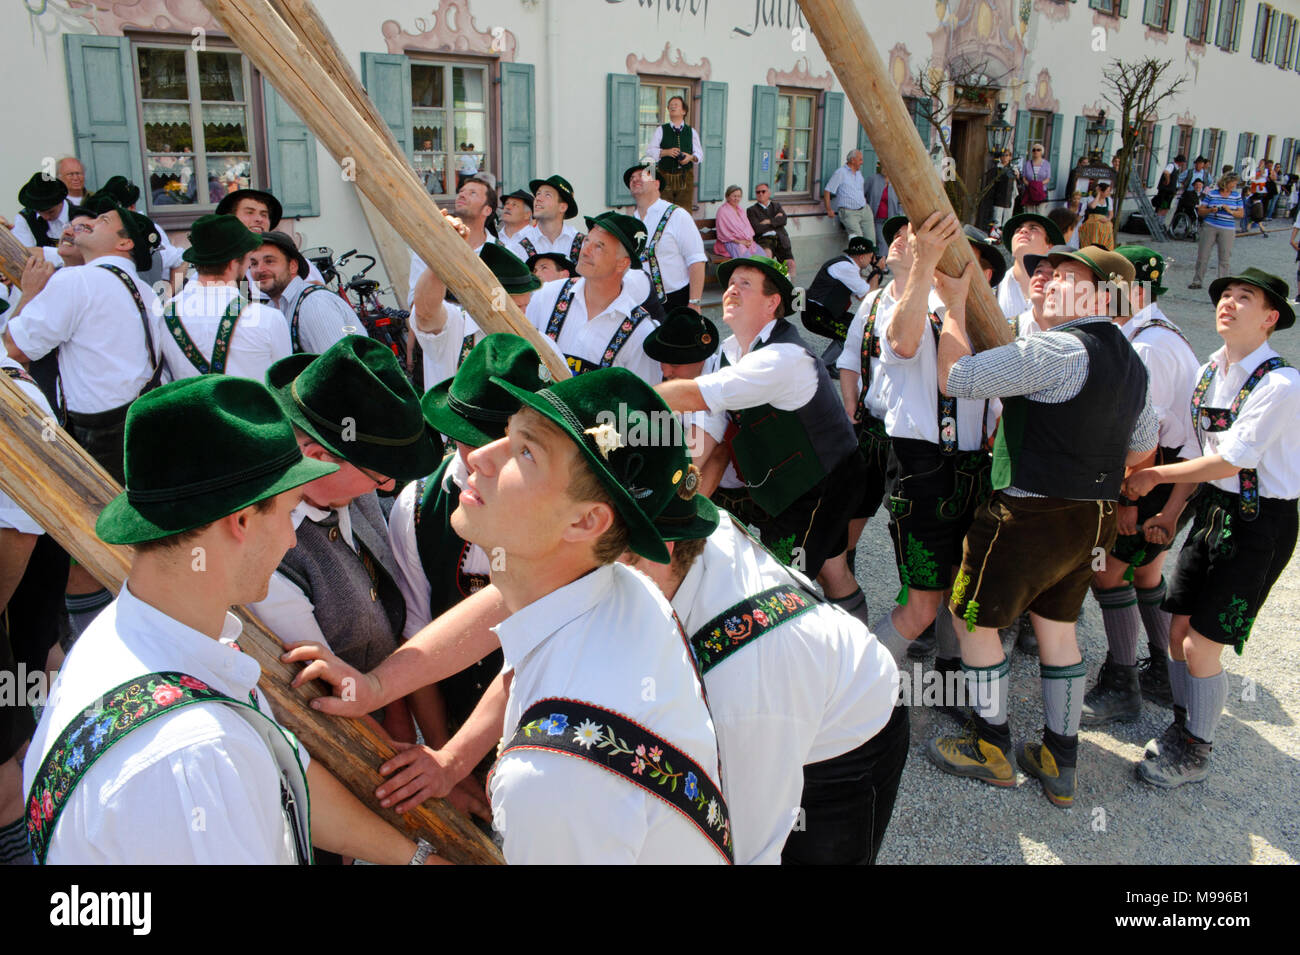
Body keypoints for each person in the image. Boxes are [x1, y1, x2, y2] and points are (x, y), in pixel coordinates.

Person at [22, 374, 442, 864]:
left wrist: (417, 860)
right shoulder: (195, 757)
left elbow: (289, 773)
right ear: (239, 521)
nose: (291, 539)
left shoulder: (131, 639)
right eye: (287, 513)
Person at [932, 245, 1157, 808]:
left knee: (972, 620)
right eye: (1049, 273)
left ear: (1100, 295)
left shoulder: (1058, 348)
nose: (1049, 281)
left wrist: (956, 310)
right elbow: (1144, 448)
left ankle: (993, 747)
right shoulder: (1132, 360)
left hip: (1031, 512)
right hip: (1095, 517)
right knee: (1057, 630)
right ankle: (1060, 757)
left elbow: (955, 378)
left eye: (1067, 277)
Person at [626, 491, 905, 865]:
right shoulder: (694, 535)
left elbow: (743, 850)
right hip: (789, 681)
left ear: (658, 550)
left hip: (852, 739)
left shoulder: (741, 697)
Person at [1125, 269, 1299, 788]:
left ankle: (1196, 752)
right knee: (1178, 630)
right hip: (1213, 515)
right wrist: (1172, 510)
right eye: (1224, 295)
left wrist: (1154, 474)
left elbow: (1230, 460)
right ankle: (1185, 725)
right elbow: (1202, 456)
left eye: (1244, 298)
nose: (1228, 303)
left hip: (1259, 523)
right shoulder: (1210, 370)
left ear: (1270, 318)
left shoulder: (1282, 384)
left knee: (1203, 643)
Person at [248, 337, 444, 743]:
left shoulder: (352, 491)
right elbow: (331, 700)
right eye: (379, 472)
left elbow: (396, 632)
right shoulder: (270, 556)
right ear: (318, 458)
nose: (389, 484)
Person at [656, 255, 871, 622]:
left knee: (781, 584)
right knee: (832, 572)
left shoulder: (783, 357)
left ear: (772, 304)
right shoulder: (729, 351)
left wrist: (627, 400)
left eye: (745, 285)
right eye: (730, 283)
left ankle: (824, 659)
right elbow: (710, 427)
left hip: (822, 484)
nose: (731, 290)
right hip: (790, 486)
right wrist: (677, 489)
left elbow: (698, 395)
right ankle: (859, 660)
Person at [384, 335, 547, 767]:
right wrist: (443, 754)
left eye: (503, 441)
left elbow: (538, 633)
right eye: (468, 438)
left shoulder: (552, 505)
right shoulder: (417, 506)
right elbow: (417, 633)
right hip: (452, 723)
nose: (482, 457)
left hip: (540, 731)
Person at [868, 217, 1003, 671]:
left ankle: (948, 670)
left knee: (957, 586)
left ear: (983, 275)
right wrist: (927, 269)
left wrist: (959, 305)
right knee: (922, 602)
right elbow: (903, 345)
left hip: (973, 467)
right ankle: (853, 680)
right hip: (920, 465)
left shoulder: (995, 324)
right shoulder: (905, 306)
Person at [1082, 245, 1201, 725]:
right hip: (1176, 474)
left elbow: (1141, 429)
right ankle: (1161, 672)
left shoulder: (1145, 344)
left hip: (1151, 475)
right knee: (1147, 574)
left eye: (1097, 286)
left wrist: (1129, 498)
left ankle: (1122, 683)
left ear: (1127, 290)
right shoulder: (1154, 330)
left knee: (1106, 573)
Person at [525, 210, 661, 382]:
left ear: (622, 263)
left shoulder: (640, 332)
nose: (585, 251)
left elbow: (642, 402)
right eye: (587, 241)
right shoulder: (547, 296)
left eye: (599, 246)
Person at [411, 242, 560, 391]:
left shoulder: (541, 344)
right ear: (484, 299)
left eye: (524, 306)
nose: (521, 314)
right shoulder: (454, 325)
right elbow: (425, 312)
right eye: (514, 307)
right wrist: (441, 254)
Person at [160, 214, 291, 380]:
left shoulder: (163, 315)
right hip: (252, 406)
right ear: (233, 262)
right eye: (248, 260)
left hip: (189, 406)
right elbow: (283, 384)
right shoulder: (268, 318)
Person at [250, 230, 362, 354]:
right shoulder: (273, 307)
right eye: (254, 264)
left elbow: (339, 365)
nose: (259, 269)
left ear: (292, 266)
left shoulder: (314, 303)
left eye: (269, 261)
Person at [626, 163, 707, 311]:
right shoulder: (630, 222)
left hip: (675, 301)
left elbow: (696, 260)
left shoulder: (677, 215)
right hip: (639, 303)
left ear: (657, 184)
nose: (635, 179)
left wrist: (694, 303)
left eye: (643, 175)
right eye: (632, 178)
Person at [409, 176, 497, 298]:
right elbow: (415, 301)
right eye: (461, 192)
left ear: (487, 210)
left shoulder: (501, 253)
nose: (462, 195)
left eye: (472, 193)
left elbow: (502, 304)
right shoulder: (430, 248)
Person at [805, 235, 874, 344]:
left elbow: (860, 296)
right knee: (855, 334)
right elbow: (868, 295)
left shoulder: (844, 264)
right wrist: (877, 271)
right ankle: (826, 361)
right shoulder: (846, 267)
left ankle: (831, 360)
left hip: (823, 313)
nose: (871, 260)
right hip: (817, 316)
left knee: (860, 325)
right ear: (862, 257)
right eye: (871, 256)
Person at [996, 212, 1065, 320]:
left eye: (1033, 228)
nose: (1023, 230)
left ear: (1050, 246)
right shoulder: (994, 286)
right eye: (1018, 230)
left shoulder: (1063, 288)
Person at [508, 175, 584, 264]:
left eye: (547, 195)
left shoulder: (581, 243)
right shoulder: (518, 242)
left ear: (562, 207)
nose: (538, 199)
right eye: (538, 194)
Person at [647, 94, 703, 209]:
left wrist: (690, 157)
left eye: (676, 105)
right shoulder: (661, 130)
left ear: (684, 111)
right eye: (670, 106)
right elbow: (650, 151)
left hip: (685, 177)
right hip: (665, 176)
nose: (672, 107)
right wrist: (665, 152)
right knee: (664, 210)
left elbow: (700, 155)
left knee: (684, 211)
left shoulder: (691, 131)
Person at [1189, 173, 1244, 289]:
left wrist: (1230, 211)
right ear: (1226, 182)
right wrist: (1210, 210)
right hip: (1210, 225)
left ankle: (1222, 284)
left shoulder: (1236, 196)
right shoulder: (1212, 194)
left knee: (1225, 257)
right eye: (1233, 183)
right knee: (1203, 255)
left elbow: (1241, 214)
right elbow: (1201, 211)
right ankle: (1197, 281)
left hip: (1227, 228)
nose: (1234, 185)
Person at [12, 173, 71, 250]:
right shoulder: (24, 218)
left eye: (51, 212)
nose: (46, 217)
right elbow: (26, 252)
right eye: (39, 212)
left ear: (61, 202)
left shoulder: (81, 216)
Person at [747, 183, 795, 276]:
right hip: (764, 239)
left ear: (769, 193)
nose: (760, 194)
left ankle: (790, 288)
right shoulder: (751, 210)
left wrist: (768, 221)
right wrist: (776, 222)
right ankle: (769, 286)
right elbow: (756, 228)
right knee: (767, 259)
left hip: (780, 238)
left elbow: (783, 220)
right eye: (758, 192)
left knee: (790, 264)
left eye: (763, 191)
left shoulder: (776, 206)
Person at [823, 149, 870, 240]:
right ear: (852, 160)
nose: (862, 162)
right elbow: (827, 190)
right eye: (860, 160)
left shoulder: (858, 173)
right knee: (858, 240)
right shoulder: (840, 173)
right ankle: (857, 254)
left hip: (864, 210)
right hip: (849, 212)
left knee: (871, 240)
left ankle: (872, 255)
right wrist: (829, 209)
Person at [714, 185, 762, 258]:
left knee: (762, 256)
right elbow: (724, 234)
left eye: (739, 196)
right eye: (734, 196)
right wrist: (741, 242)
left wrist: (750, 240)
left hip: (746, 242)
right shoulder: (722, 211)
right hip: (730, 243)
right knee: (748, 259)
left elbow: (748, 227)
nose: (736, 198)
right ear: (727, 197)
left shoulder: (740, 210)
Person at [864, 167, 902, 254]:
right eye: (884, 166)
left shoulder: (896, 182)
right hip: (876, 218)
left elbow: (901, 202)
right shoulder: (872, 179)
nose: (885, 169)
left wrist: (899, 214)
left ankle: (884, 263)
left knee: (888, 242)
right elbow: (862, 195)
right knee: (881, 241)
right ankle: (882, 263)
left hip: (891, 218)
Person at [1077, 181, 1116, 250]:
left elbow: (1111, 214)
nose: (1109, 193)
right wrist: (1098, 195)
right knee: (1096, 226)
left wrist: (1107, 219)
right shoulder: (1090, 198)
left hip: (1104, 220)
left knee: (1109, 226)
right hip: (1092, 219)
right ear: (1101, 191)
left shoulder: (1109, 200)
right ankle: (1093, 247)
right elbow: (1092, 206)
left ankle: (1105, 247)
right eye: (1107, 191)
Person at [1017, 143, 1052, 214]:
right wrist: (1031, 185)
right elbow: (1024, 178)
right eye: (1034, 150)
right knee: (1029, 212)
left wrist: (1038, 185)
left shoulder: (1046, 164)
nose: (1036, 151)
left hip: (1041, 190)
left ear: (1042, 152)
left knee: (1040, 212)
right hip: (1030, 190)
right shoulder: (1027, 164)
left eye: (1038, 150)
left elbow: (1048, 178)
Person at [496, 187, 534, 252]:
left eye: (514, 205)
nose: (508, 207)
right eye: (506, 204)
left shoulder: (535, 239)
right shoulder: (495, 238)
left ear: (527, 215)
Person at [987, 149, 1017, 232]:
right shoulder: (997, 167)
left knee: (1007, 215)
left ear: (1010, 157)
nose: (1004, 157)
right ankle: (996, 233)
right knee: (997, 215)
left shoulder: (1013, 167)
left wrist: (1016, 174)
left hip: (1010, 194)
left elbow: (1017, 177)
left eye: (1006, 155)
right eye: (1003, 155)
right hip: (999, 195)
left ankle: (1005, 233)